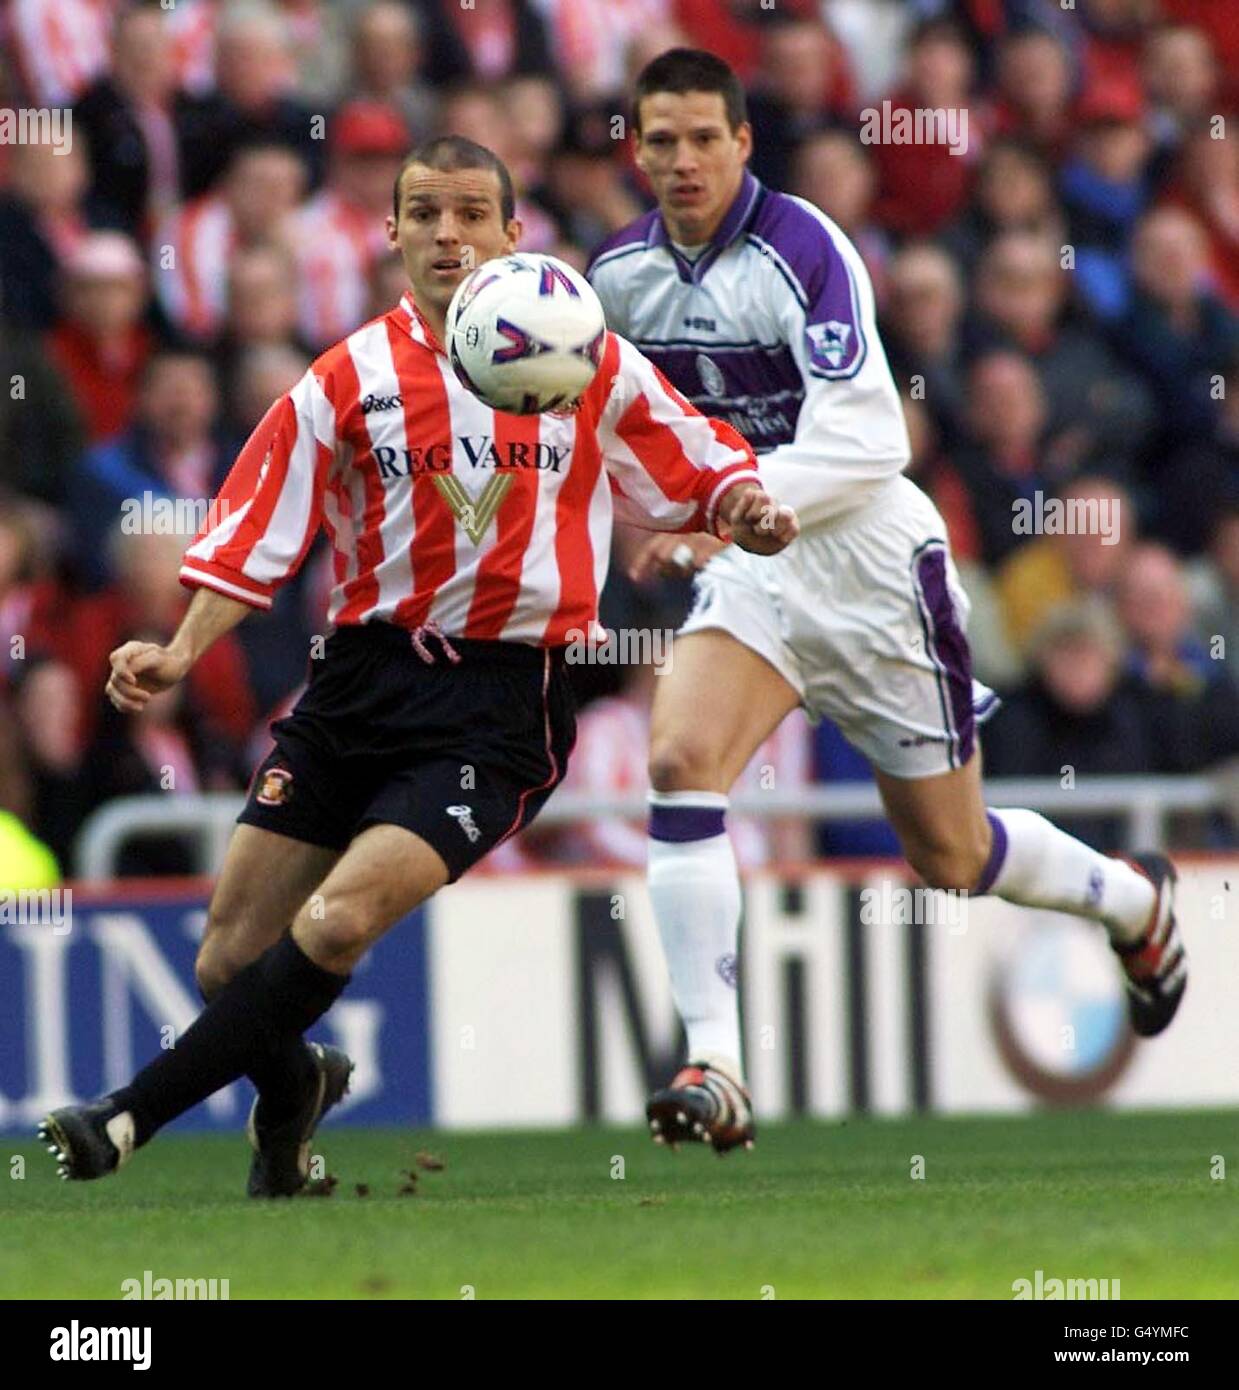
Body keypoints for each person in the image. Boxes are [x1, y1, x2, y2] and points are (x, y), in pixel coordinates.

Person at [38, 134, 797, 1191]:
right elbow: (261, 527)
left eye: (472, 213)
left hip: (496, 701)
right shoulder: (346, 376)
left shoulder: (582, 354)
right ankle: (295, 1087)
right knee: (225, 960)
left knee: (338, 919)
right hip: (357, 680)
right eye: (426, 213)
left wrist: (746, 508)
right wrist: (179, 649)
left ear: (512, 232)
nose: (449, 234)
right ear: (389, 231)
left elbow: (698, 457)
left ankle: (127, 1114)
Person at [587, 48, 1188, 1155]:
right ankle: (715, 1060)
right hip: (758, 574)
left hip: (868, 569)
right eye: (658, 139)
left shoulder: (804, 247)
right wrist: (656, 522)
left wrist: (725, 506)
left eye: (700, 138)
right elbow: (612, 430)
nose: (679, 160)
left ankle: (1132, 900)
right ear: (636, 146)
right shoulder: (614, 276)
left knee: (951, 857)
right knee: (681, 761)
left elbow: (870, 440)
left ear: (741, 143)